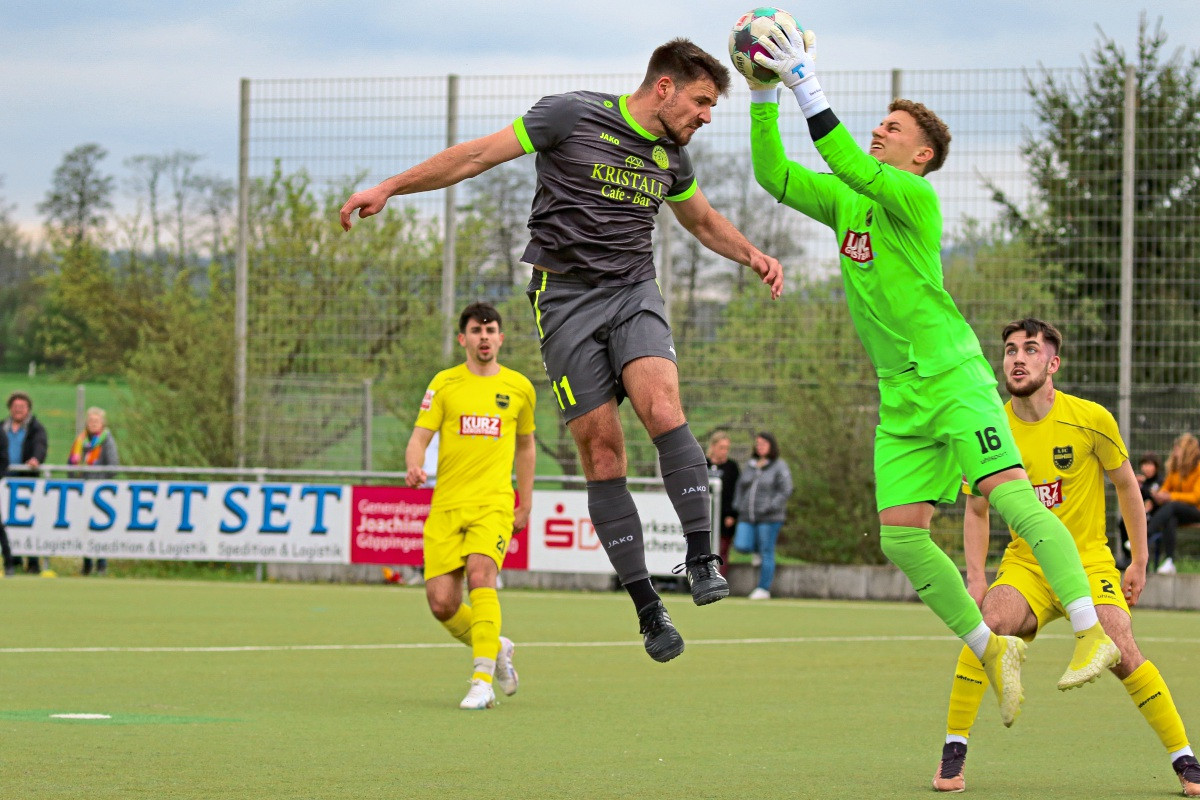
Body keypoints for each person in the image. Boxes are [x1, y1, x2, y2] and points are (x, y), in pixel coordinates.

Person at [341, 39, 785, 663]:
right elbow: (474, 157)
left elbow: (703, 221)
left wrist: (751, 254)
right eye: (702, 101)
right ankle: (647, 608)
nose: (706, 116)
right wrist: (390, 186)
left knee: (662, 407)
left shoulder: (673, 156)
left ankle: (703, 557)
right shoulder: (569, 115)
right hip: (566, 303)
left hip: (633, 292)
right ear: (665, 87)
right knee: (603, 451)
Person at [748, 24, 1117, 725]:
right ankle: (989, 649)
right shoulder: (847, 203)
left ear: (921, 155)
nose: (877, 132)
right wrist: (763, 93)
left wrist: (804, 82)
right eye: (877, 124)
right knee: (900, 535)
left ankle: (1089, 629)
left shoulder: (913, 200)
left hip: (952, 376)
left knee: (1010, 499)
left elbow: (851, 164)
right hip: (902, 397)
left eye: (891, 128)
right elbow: (774, 176)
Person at [931, 318, 1200, 795]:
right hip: (1027, 567)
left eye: (1030, 349)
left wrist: (1137, 561)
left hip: (1090, 562)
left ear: (1053, 363)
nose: (1017, 357)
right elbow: (976, 509)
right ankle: (953, 754)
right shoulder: (988, 428)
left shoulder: (1091, 418)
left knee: (1119, 645)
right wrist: (975, 576)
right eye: (1011, 349)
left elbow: (1127, 487)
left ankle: (1186, 761)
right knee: (988, 625)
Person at [403, 302, 536, 710]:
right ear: (463, 339)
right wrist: (413, 463)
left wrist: (525, 503)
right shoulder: (444, 384)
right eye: (476, 331)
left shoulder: (519, 388)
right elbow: (420, 437)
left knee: (482, 575)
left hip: (492, 505)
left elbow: (526, 447)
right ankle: (496, 646)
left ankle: (482, 680)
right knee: (442, 603)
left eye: (490, 330)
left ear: (500, 338)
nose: (484, 337)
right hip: (447, 506)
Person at [732, 431, 793, 599]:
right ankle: (756, 550)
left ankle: (763, 588)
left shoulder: (779, 466)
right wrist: (738, 506)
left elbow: (786, 489)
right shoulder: (751, 465)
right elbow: (740, 487)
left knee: (767, 551)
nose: (760, 447)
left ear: (771, 446)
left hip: (769, 517)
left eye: (763, 444)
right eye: (758, 444)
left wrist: (771, 506)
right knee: (741, 545)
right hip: (747, 516)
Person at [67, 407, 120, 576]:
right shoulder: (80, 441)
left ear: (102, 424)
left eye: (96, 421)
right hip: (82, 490)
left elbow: (113, 466)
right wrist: (74, 479)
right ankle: (87, 563)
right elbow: (70, 463)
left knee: (100, 528)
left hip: (100, 492)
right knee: (84, 526)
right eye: (90, 421)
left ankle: (101, 563)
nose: (93, 424)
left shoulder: (107, 441)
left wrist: (99, 479)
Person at [4, 391, 49, 575]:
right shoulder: (3, 427)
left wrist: (35, 460)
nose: (18, 410)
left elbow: (40, 445)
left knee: (29, 522)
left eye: (22, 407)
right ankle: (12, 561)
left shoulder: (35, 428)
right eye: (15, 407)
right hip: (5, 481)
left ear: (28, 409)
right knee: (7, 523)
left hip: (26, 482)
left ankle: (32, 563)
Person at [1148, 434, 1200, 575]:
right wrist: (1161, 495)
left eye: (1178, 448)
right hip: (1179, 511)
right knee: (1170, 517)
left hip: (1196, 511)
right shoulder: (1175, 470)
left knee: (1171, 506)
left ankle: (1146, 533)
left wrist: (1170, 496)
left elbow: (1196, 497)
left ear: (1187, 450)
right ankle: (1170, 561)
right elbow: (1166, 487)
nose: (1175, 450)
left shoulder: (1198, 469)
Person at [1116, 452, 1162, 569]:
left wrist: (1142, 486)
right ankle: (1127, 556)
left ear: (1156, 466)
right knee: (1123, 522)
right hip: (1141, 514)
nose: (1147, 468)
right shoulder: (1141, 481)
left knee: (1141, 525)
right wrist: (1136, 485)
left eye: (1150, 464)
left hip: (1154, 517)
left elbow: (1153, 498)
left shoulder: (1159, 481)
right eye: (1145, 464)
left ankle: (1142, 560)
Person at [705, 430, 740, 576]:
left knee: (722, 550)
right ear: (713, 447)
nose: (724, 451)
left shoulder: (732, 467)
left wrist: (732, 514)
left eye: (727, 448)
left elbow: (737, 493)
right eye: (721, 448)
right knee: (703, 549)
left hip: (724, 517)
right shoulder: (702, 464)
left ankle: (720, 580)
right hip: (705, 514)